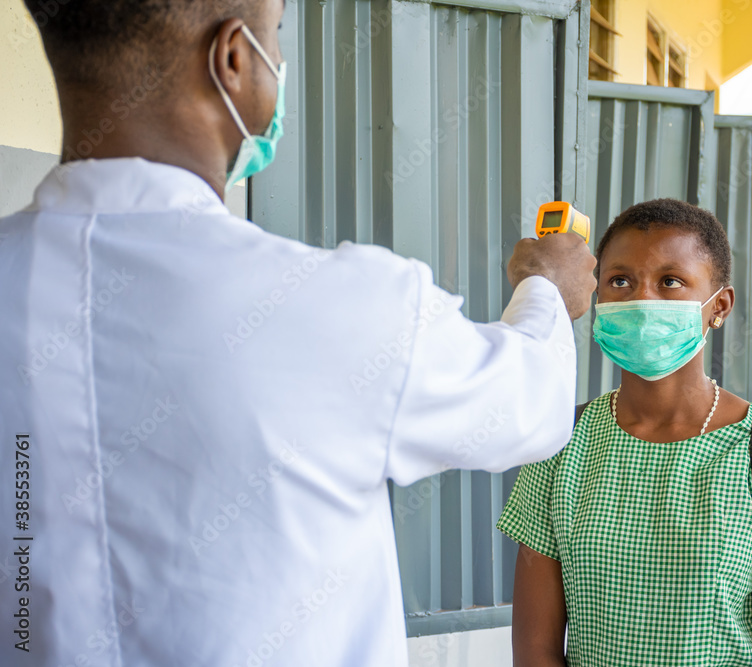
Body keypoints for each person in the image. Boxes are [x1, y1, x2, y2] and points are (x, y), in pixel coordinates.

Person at [0, 1, 597, 665]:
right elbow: (528, 403)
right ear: (231, 59)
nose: (278, 62)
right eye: (275, 36)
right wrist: (547, 282)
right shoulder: (343, 305)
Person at [497, 198, 752, 667]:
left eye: (671, 282)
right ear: (594, 295)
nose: (643, 299)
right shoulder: (560, 441)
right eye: (620, 280)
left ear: (719, 306)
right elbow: (535, 652)